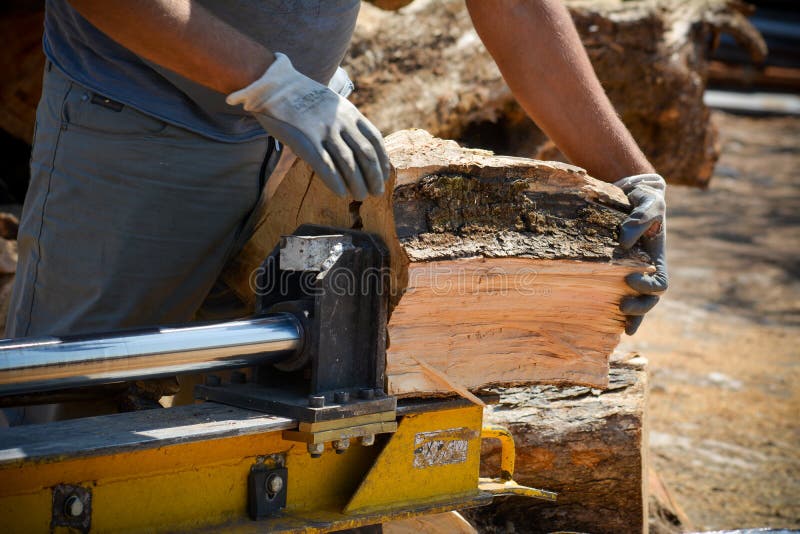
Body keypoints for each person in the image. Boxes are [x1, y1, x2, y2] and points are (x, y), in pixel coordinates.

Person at [5, 0, 667, 422]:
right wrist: (267, 81)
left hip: (307, 139)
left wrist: (626, 178)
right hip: (139, 127)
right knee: (70, 422)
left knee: (277, 422)